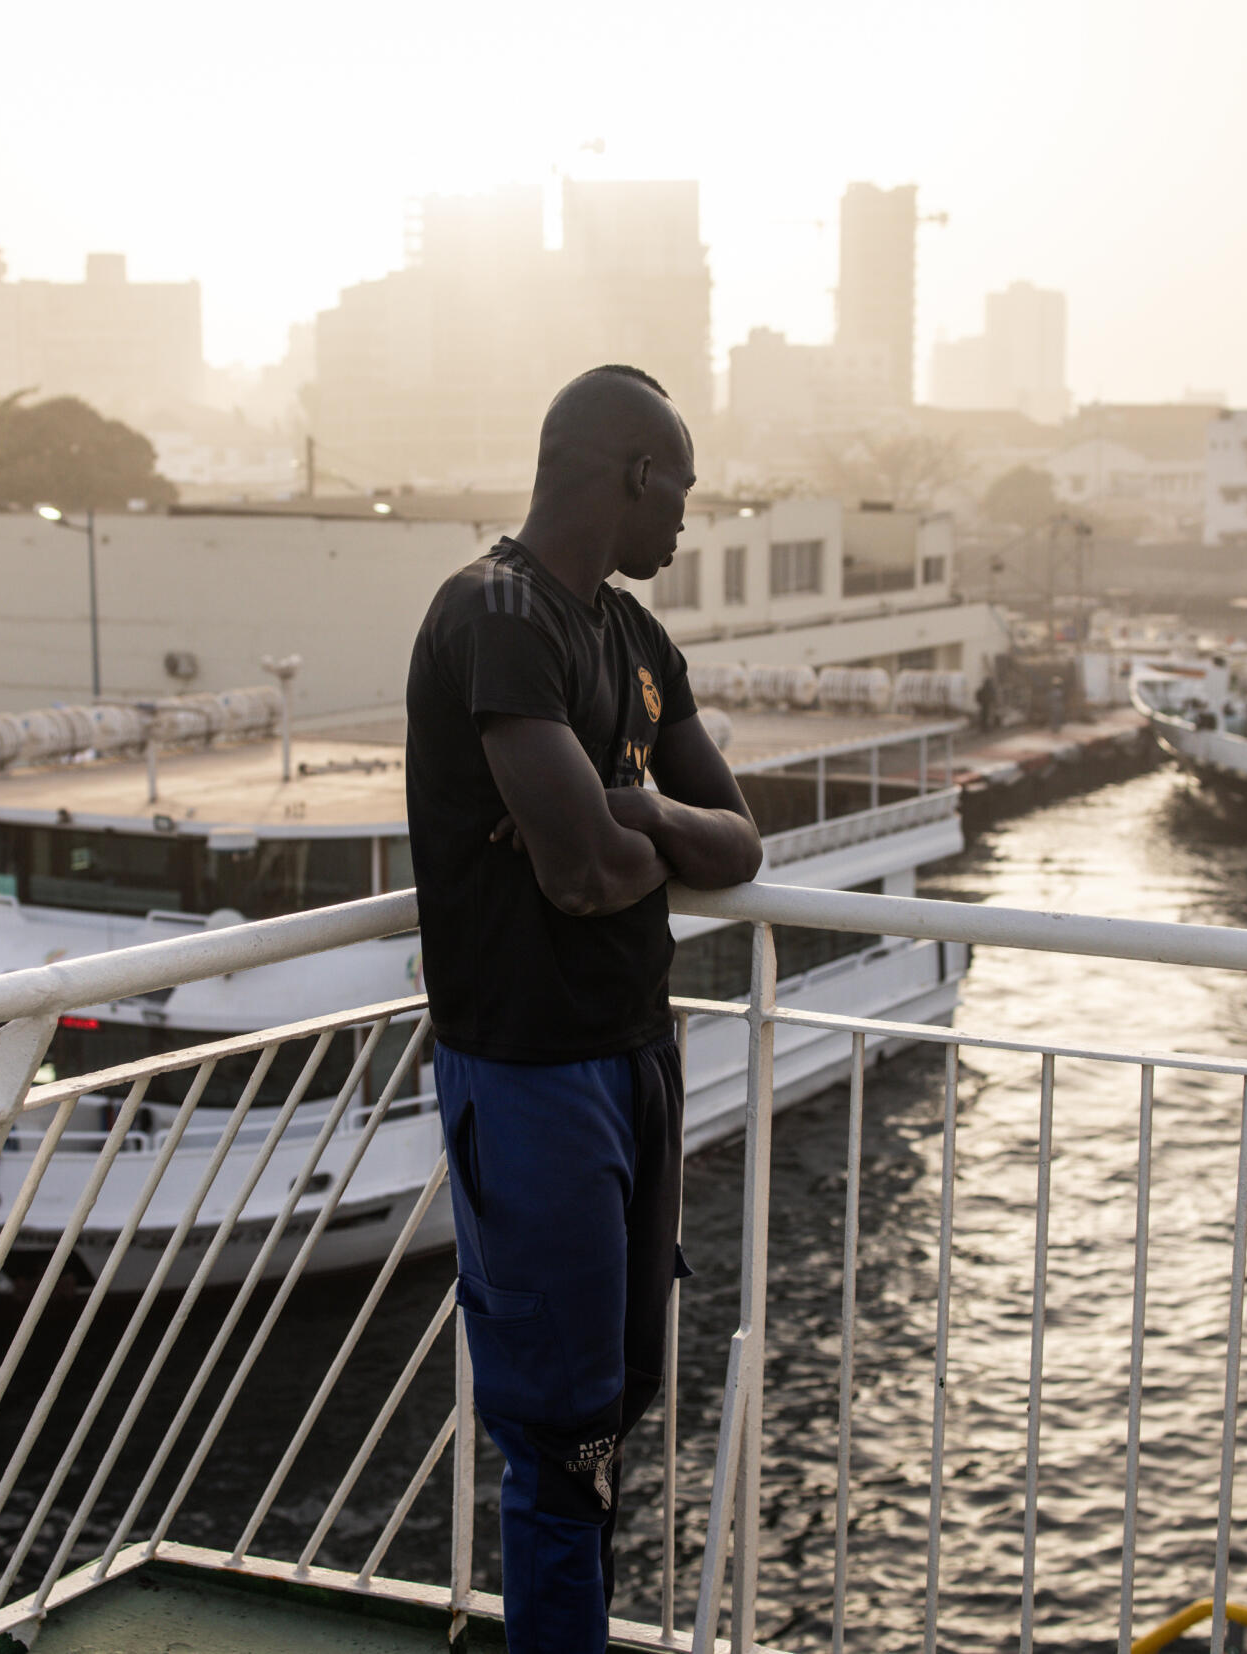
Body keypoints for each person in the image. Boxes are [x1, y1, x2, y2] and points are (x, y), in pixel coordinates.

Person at [405, 364, 763, 1652]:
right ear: (628, 473)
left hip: (633, 1057)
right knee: (560, 1433)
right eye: (679, 489)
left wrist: (650, 811)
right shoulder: (496, 615)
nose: (685, 520)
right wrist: (632, 842)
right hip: (530, 1071)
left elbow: (738, 843)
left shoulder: (633, 638)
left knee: (618, 1398)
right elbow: (579, 871)